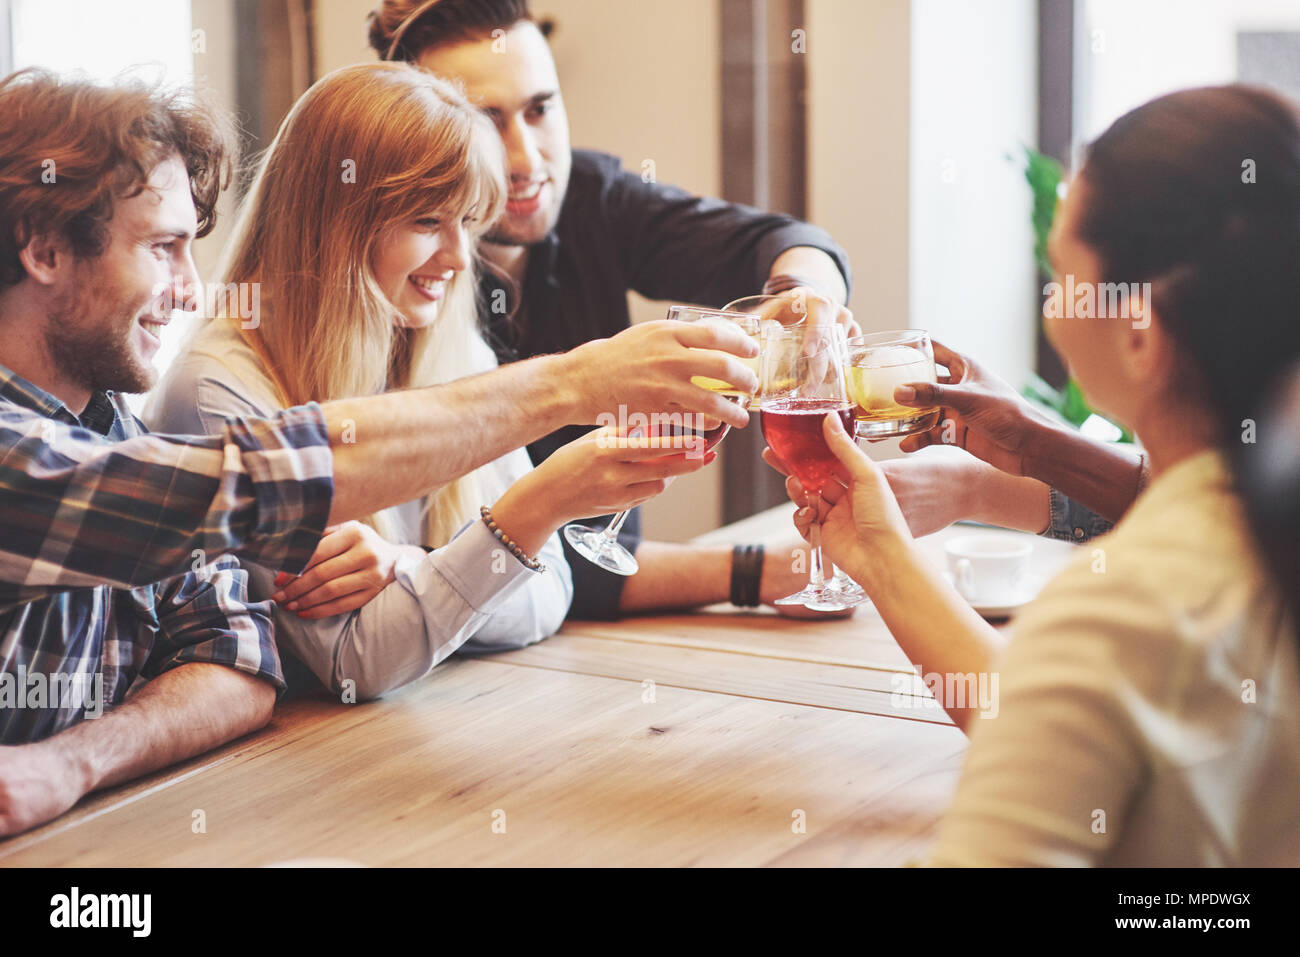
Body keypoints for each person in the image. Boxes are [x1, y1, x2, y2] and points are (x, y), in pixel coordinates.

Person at [0, 67, 756, 836]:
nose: (194, 291)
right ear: (46, 251)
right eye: (163, 247)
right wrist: (571, 390)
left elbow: (238, 662)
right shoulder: (32, 452)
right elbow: (260, 492)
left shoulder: (108, 425)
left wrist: (72, 762)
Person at [770, 85, 1300, 865]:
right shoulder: (1257, 529)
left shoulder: (1121, 614)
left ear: (1139, 335)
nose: (1050, 307)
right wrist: (1024, 449)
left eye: (1060, 280)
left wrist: (880, 550)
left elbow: (1040, 716)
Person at [148, 63, 715, 699]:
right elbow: (357, 660)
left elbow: (552, 593)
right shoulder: (215, 392)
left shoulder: (449, 347)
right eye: (426, 221)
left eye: (466, 223)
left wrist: (414, 566)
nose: (457, 258)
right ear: (335, 223)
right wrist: (534, 509)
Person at [368, 0, 856, 618]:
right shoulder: (392, 288)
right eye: (485, 121)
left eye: (540, 109)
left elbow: (787, 241)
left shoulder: (593, 200)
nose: (525, 160)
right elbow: (482, 564)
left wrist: (802, 297)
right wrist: (757, 570)